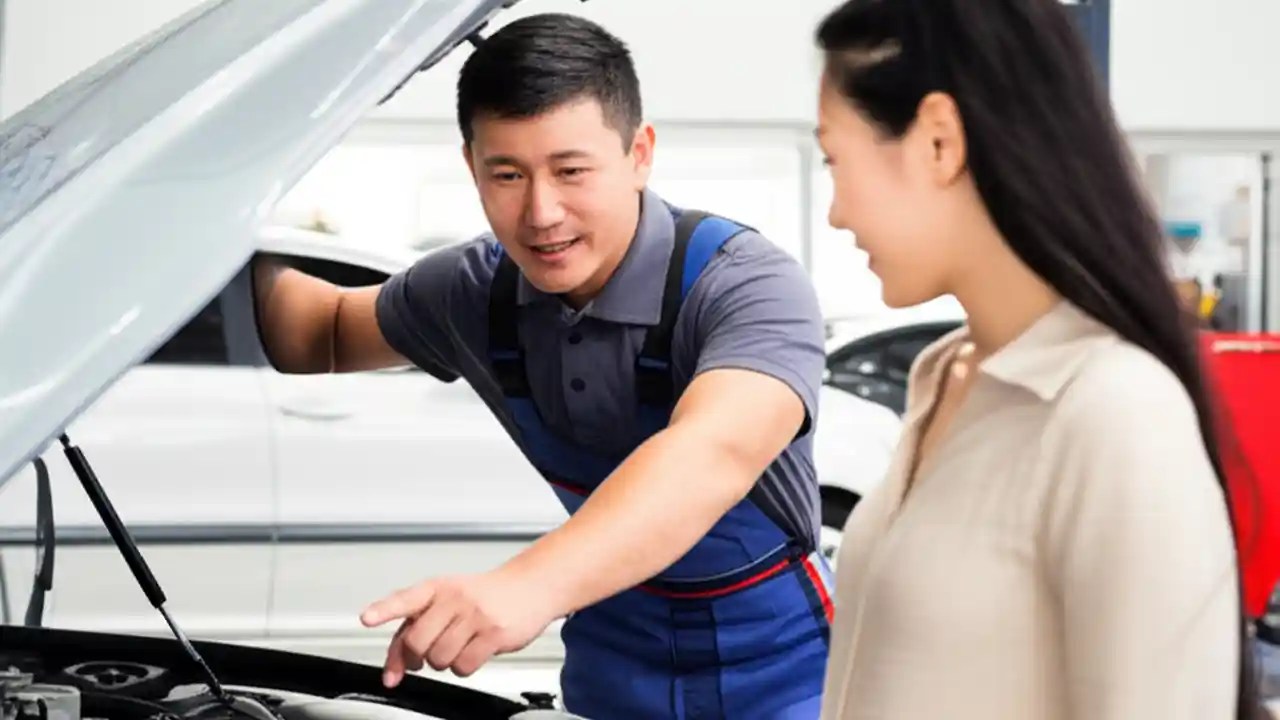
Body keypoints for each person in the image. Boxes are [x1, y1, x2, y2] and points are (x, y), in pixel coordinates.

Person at [253, 12, 834, 719]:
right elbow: (323, 333)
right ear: (471, 167)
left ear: (640, 153)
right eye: (507, 174)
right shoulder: (474, 289)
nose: (541, 213)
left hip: (792, 677)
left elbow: (711, 454)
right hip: (611, 671)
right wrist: (207, 217)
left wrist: (523, 588)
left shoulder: (744, 284)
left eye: (571, 170)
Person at [809, 1, 1261, 719]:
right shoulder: (942, 377)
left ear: (937, 141)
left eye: (836, 158)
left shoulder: (1114, 413)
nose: (834, 210)